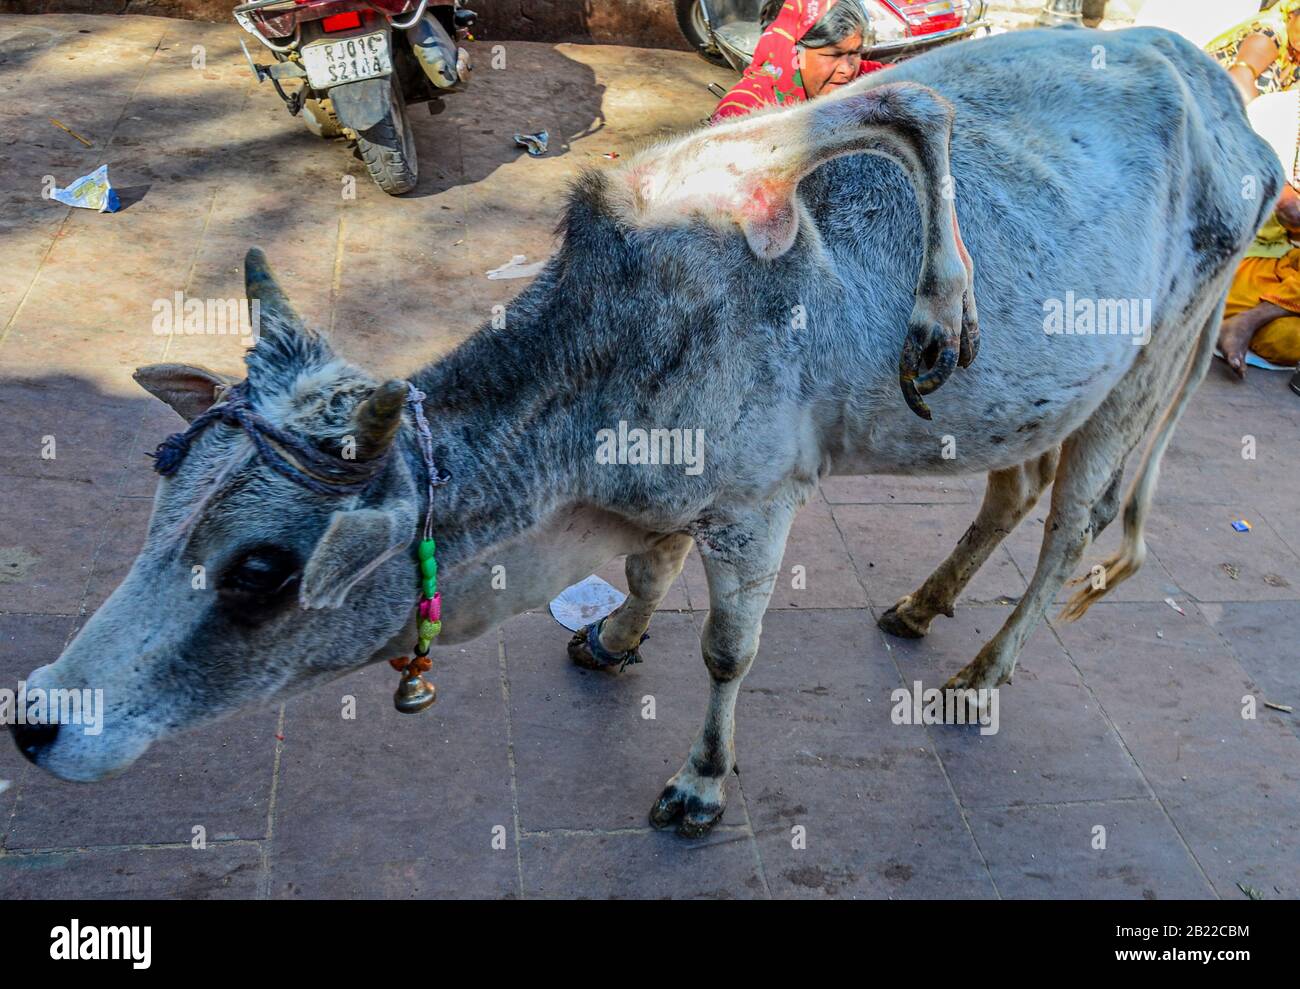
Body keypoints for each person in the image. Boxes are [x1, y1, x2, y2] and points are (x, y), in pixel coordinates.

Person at [1207, 0, 1300, 378]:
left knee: (1290, 337)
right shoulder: (1272, 112)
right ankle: (1245, 319)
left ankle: (1249, 320)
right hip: (1237, 252)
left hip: (1282, 266)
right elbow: (1289, 209)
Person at [710, 0, 886, 123]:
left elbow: (904, 73)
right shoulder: (743, 112)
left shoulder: (861, 77)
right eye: (833, 55)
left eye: (855, 53)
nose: (847, 70)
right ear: (794, 52)